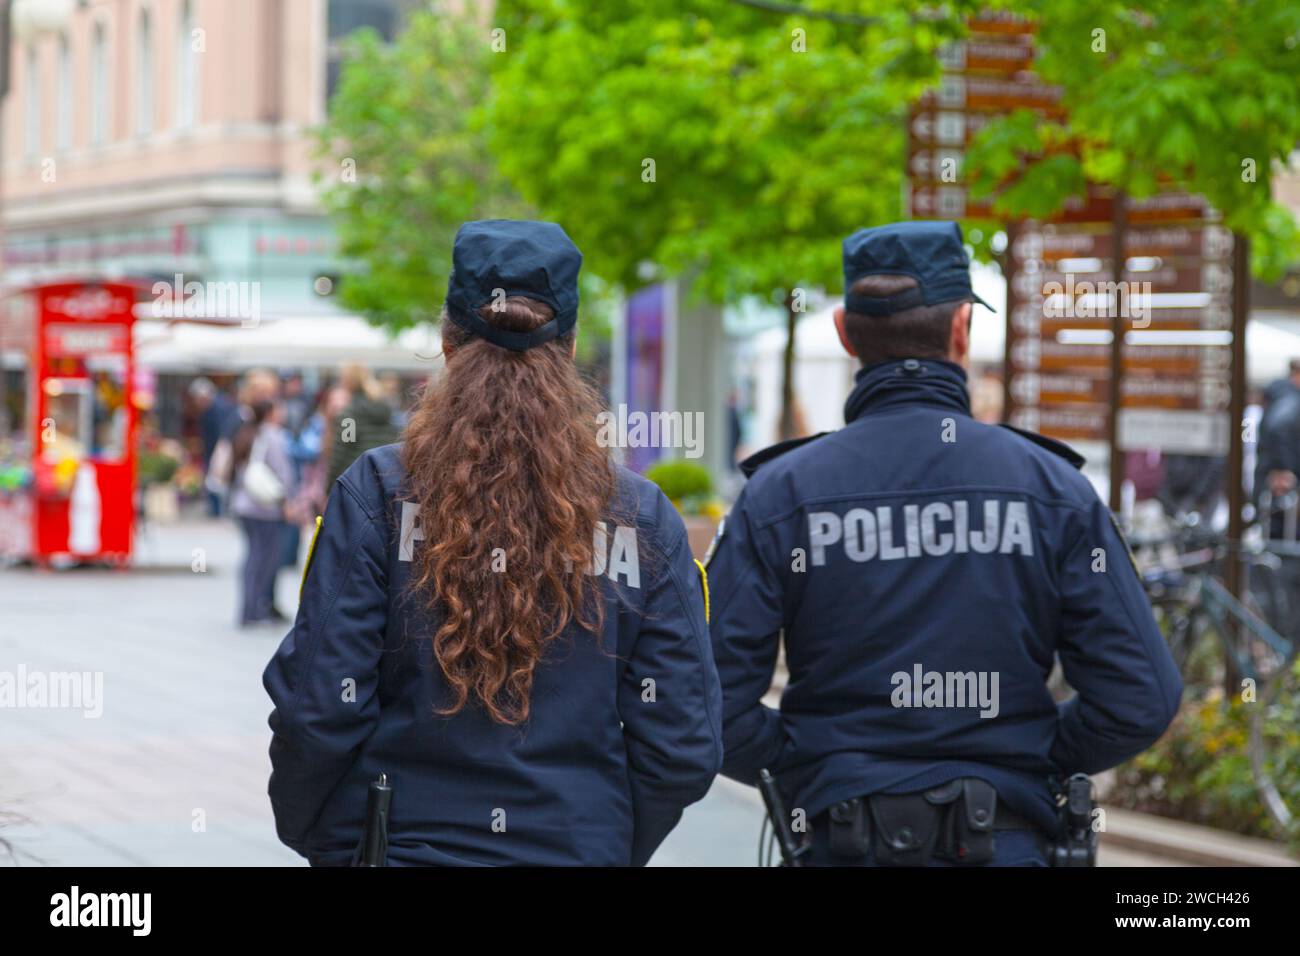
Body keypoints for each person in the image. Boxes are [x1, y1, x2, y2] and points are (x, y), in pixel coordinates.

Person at [705, 221, 1182, 867]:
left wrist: (817, 765)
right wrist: (1029, 754)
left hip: (842, 840)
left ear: (846, 332)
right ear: (963, 327)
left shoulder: (780, 495)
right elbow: (1141, 698)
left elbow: (708, 705)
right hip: (1005, 838)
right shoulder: (1049, 488)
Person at [264, 220, 722, 866]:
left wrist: (327, 839)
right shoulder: (642, 516)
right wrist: (605, 840)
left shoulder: (377, 493)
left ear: (448, 341)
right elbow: (682, 742)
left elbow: (318, 707)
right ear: (566, 347)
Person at [230, 400, 296, 627]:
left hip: (244, 505)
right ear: (270, 413)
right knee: (264, 559)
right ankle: (254, 609)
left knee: (252, 557)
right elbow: (282, 472)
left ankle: (248, 608)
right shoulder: (274, 436)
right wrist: (286, 501)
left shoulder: (248, 433)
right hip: (264, 507)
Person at [325, 363, 401, 492]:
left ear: (348, 382)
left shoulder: (350, 415)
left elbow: (342, 452)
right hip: (383, 477)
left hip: (356, 481)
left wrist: (330, 487)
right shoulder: (384, 409)